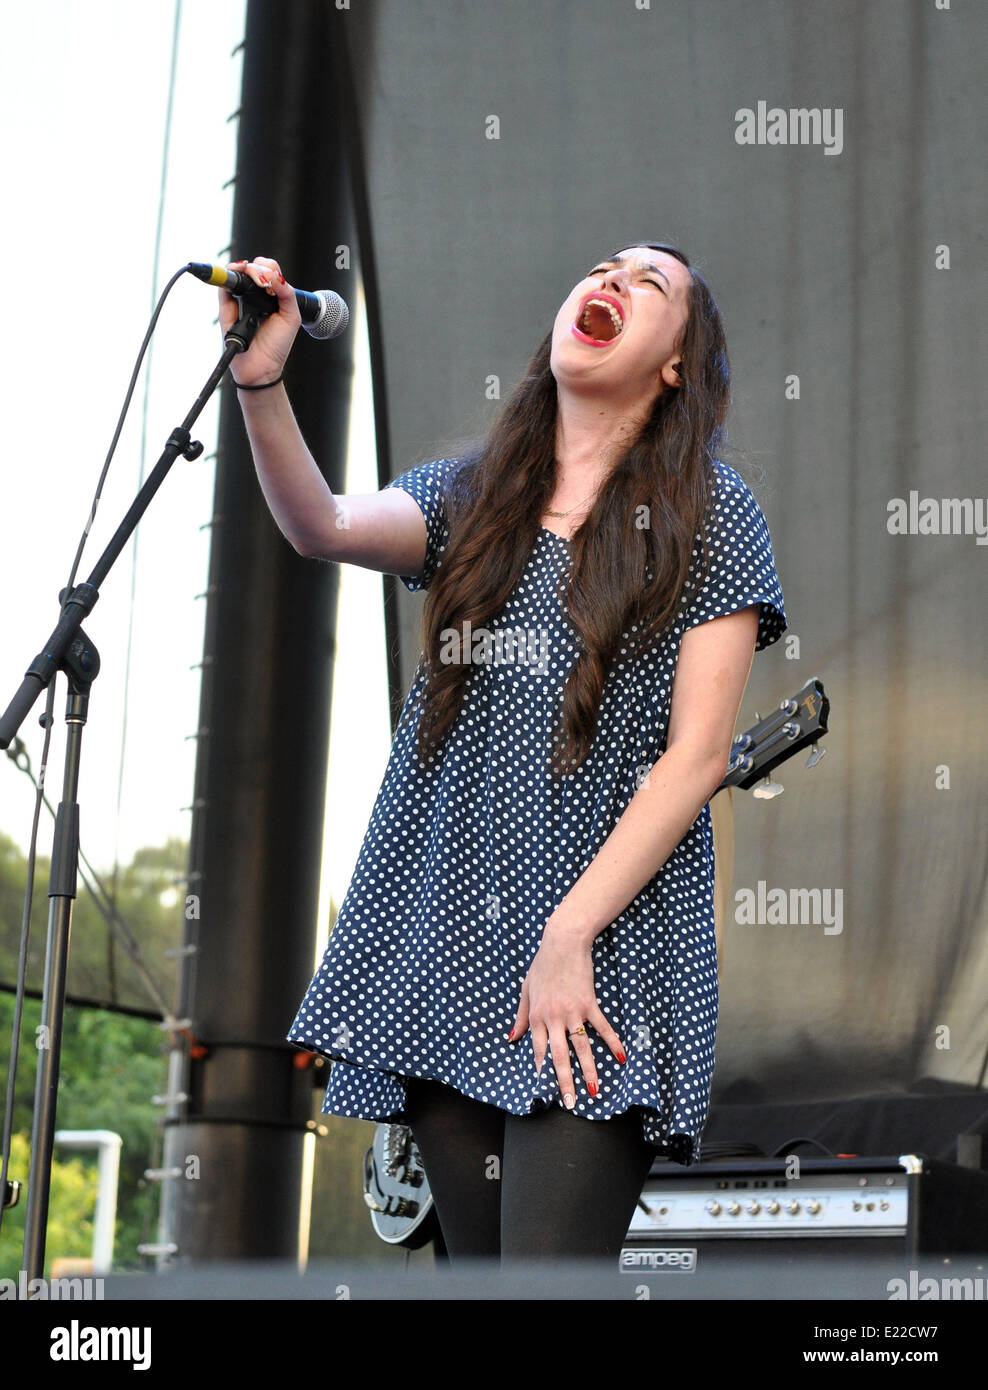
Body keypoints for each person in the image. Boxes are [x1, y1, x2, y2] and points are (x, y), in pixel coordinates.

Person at [219, 242, 787, 1263]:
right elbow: (323, 524)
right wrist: (262, 384)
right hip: (454, 947)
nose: (610, 281)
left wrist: (568, 937)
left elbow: (697, 757)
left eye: (647, 283)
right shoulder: (470, 494)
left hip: (599, 956)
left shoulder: (712, 513)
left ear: (674, 366)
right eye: (604, 266)